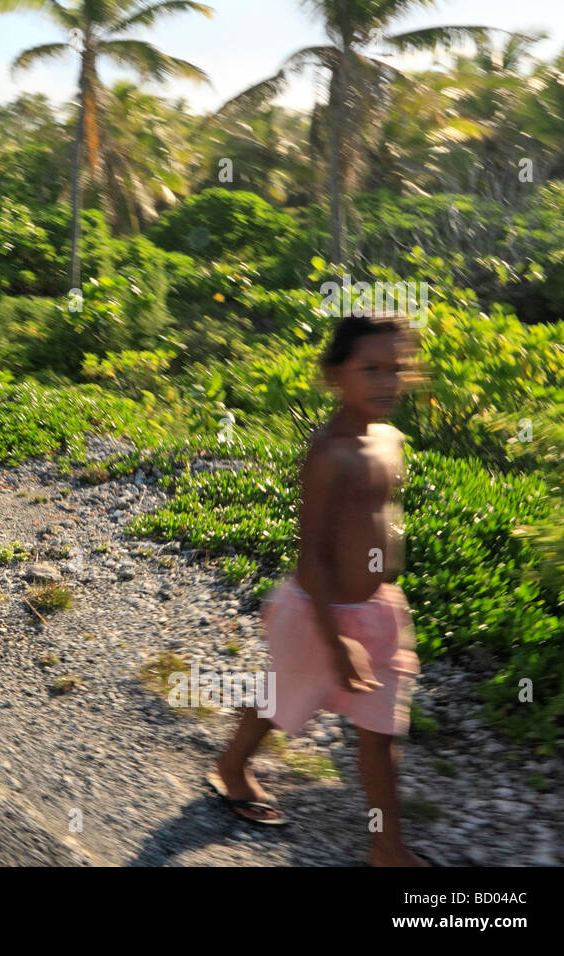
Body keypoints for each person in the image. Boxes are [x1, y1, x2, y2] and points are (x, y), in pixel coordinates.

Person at [208, 313, 427, 866]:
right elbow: (312, 559)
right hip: (318, 614)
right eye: (370, 369)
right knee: (280, 699)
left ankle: (388, 847)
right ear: (334, 375)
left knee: (380, 734)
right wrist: (335, 640)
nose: (386, 382)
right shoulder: (329, 452)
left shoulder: (389, 438)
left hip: (378, 612)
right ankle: (232, 767)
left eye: (396, 369)